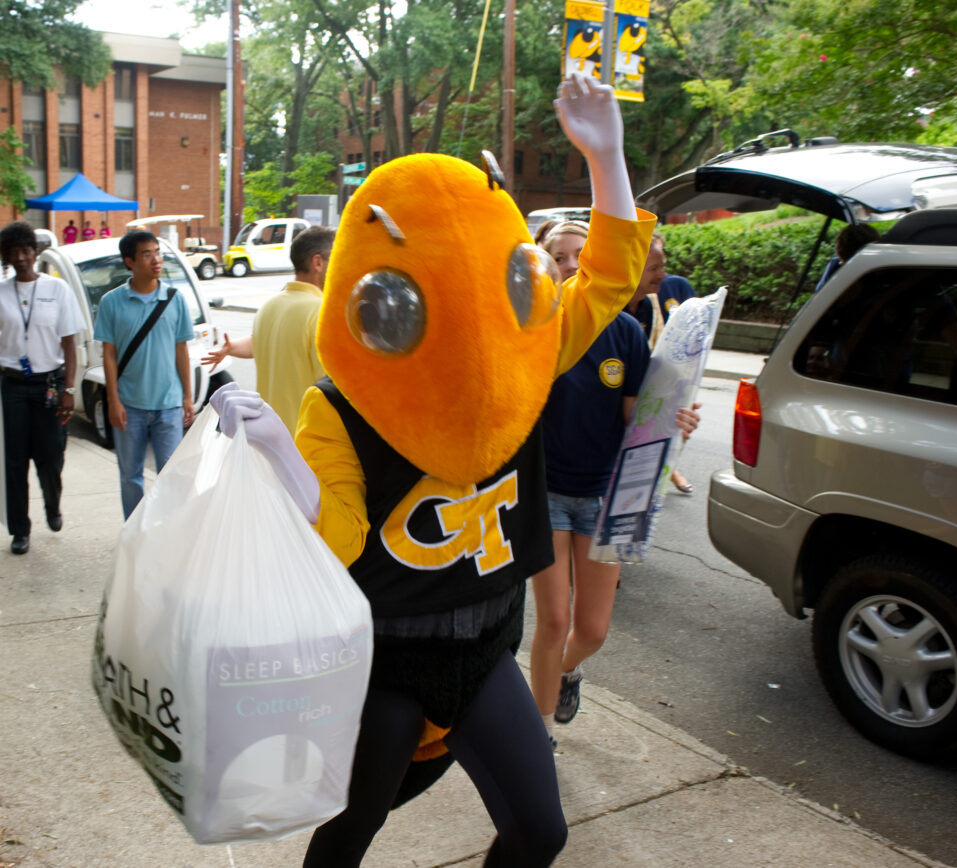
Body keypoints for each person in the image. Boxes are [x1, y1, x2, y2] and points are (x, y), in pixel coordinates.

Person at [212, 72, 656, 867]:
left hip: (485, 643)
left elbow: (608, 278)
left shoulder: (529, 362)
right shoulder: (342, 409)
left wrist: (607, 158)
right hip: (392, 656)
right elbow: (339, 540)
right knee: (351, 828)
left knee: (541, 828)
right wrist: (281, 452)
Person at [530, 222, 700, 748]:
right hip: (548, 494)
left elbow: (637, 419)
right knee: (554, 620)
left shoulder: (625, 332)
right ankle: (537, 736)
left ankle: (557, 676)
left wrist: (675, 421)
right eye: (559, 256)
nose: (572, 263)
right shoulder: (536, 328)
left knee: (594, 630)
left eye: (581, 253)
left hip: (606, 497)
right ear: (545, 266)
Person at [93, 230, 195, 519]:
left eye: (157, 253)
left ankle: (167, 535)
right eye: (147, 254)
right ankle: (135, 534)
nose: (156, 260)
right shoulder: (111, 302)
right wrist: (113, 400)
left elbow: (181, 351)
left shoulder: (175, 299)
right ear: (129, 261)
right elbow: (109, 355)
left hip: (169, 405)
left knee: (171, 476)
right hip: (129, 405)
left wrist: (187, 396)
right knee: (130, 476)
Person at [0, 221, 85, 554]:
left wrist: (69, 389)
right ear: (6, 256)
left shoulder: (57, 290)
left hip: (49, 385)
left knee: (51, 455)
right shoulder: (2, 292)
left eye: (25, 251)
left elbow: (69, 342)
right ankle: (20, 530)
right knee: (15, 460)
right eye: (13, 252)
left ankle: (53, 504)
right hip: (12, 386)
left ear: (35, 253)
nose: (20, 258)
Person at [201, 226, 333, 435]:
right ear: (318, 262)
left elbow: (262, 342)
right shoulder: (322, 313)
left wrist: (231, 347)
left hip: (269, 441)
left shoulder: (270, 306)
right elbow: (330, 391)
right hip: (306, 446)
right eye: (336, 259)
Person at [625, 234, 695, 493]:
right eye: (654, 268)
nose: (663, 275)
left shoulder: (647, 306)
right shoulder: (610, 311)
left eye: (662, 267)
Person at [813, 223, 880, 293]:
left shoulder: (835, 268)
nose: (840, 263)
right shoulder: (835, 265)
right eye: (841, 260)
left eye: (842, 261)